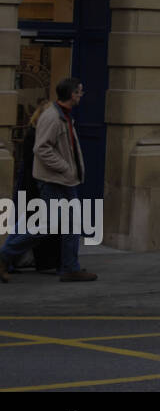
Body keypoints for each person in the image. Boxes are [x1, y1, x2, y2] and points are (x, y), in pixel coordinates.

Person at [2, 78, 97, 282]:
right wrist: (66, 168)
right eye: (80, 91)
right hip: (54, 181)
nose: (82, 94)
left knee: (72, 224)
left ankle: (70, 267)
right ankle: (3, 256)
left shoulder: (64, 116)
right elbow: (41, 148)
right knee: (44, 226)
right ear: (72, 94)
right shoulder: (53, 117)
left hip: (65, 181)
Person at [6, 99, 60, 274]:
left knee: (31, 224)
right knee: (29, 225)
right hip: (35, 186)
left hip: (34, 185)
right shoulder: (36, 134)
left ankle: (50, 261)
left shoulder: (36, 132)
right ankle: (6, 257)